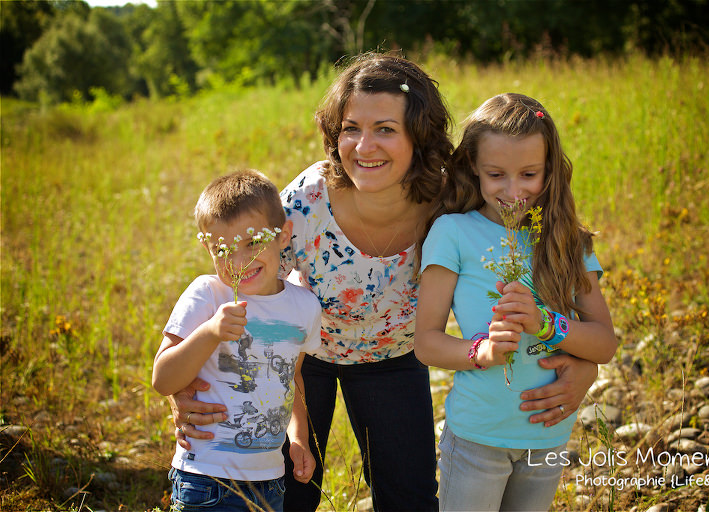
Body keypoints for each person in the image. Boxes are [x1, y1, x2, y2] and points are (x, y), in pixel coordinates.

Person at [167, 54, 601, 511]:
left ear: (420, 135)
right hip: (296, 356)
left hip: (392, 356)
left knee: (409, 498)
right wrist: (183, 384)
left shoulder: (451, 199)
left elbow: (537, 256)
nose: (364, 146)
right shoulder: (305, 202)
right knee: (290, 491)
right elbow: (234, 282)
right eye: (351, 128)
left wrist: (586, 365)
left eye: (386, 129)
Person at [414, 93, 618, 511]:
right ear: (473, 166)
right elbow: (426, 342)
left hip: (548, 437)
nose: (513, 190)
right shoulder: (452, 232)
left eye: (529, 174)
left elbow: (604, 344)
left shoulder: (566, 240)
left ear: (550, 170)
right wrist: (482, 351)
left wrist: (548, 324)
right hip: (477, 436)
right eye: (496, 175)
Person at [152, 169, 322, 511]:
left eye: (253, 243)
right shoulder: (208, 295)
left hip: (270, 480)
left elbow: (292, 379)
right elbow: (163, 378)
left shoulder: (304, 306)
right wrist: (210, 332)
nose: (239, 261)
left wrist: (298, 438)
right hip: (205, 479)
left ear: (283, 235)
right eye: (223, 249)